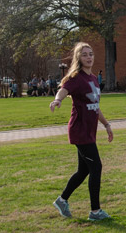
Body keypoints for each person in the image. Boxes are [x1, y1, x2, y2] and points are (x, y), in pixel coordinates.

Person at [49, 42, 114, 221]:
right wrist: (57, 101)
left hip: (89, 131)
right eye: (84, 54)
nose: (89, 57)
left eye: (91, 54)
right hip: (79, 131)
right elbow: (63, 90)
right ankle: (95, 212)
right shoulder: (75, 78)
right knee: (96, 167)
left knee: (83, 171)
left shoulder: (93, 78)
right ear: (78, 58)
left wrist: (107, 125)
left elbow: (95, 106)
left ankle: (62, 200)